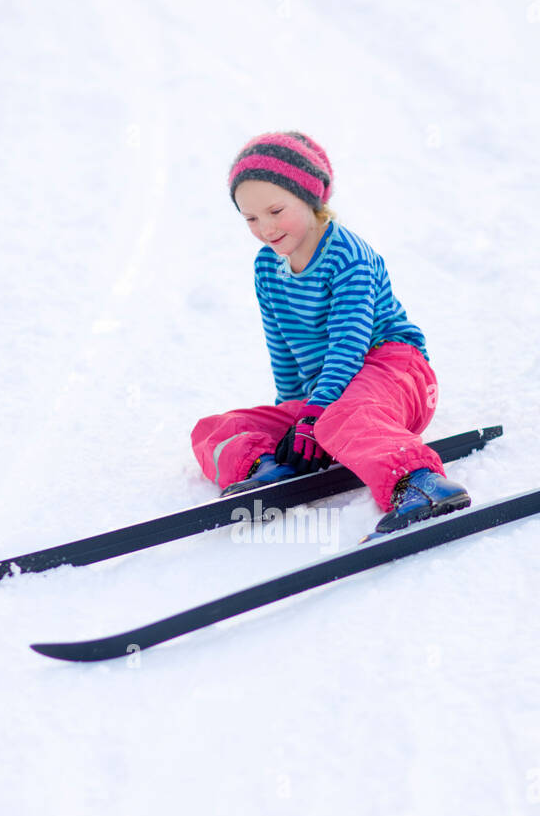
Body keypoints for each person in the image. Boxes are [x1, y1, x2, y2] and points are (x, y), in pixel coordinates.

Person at [190, 131, 470, 533]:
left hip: (394, 371)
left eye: (274, 210)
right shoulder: (267, 268)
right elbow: (282, 348)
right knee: (218, 426)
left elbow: (348, 345)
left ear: (310, 197)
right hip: (328, 394)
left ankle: (420, 483)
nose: (265, 228)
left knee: (342, 418)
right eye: (250, 218)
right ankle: (272, 468)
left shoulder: (347, 256)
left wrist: (317, 413)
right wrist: (296, 418)